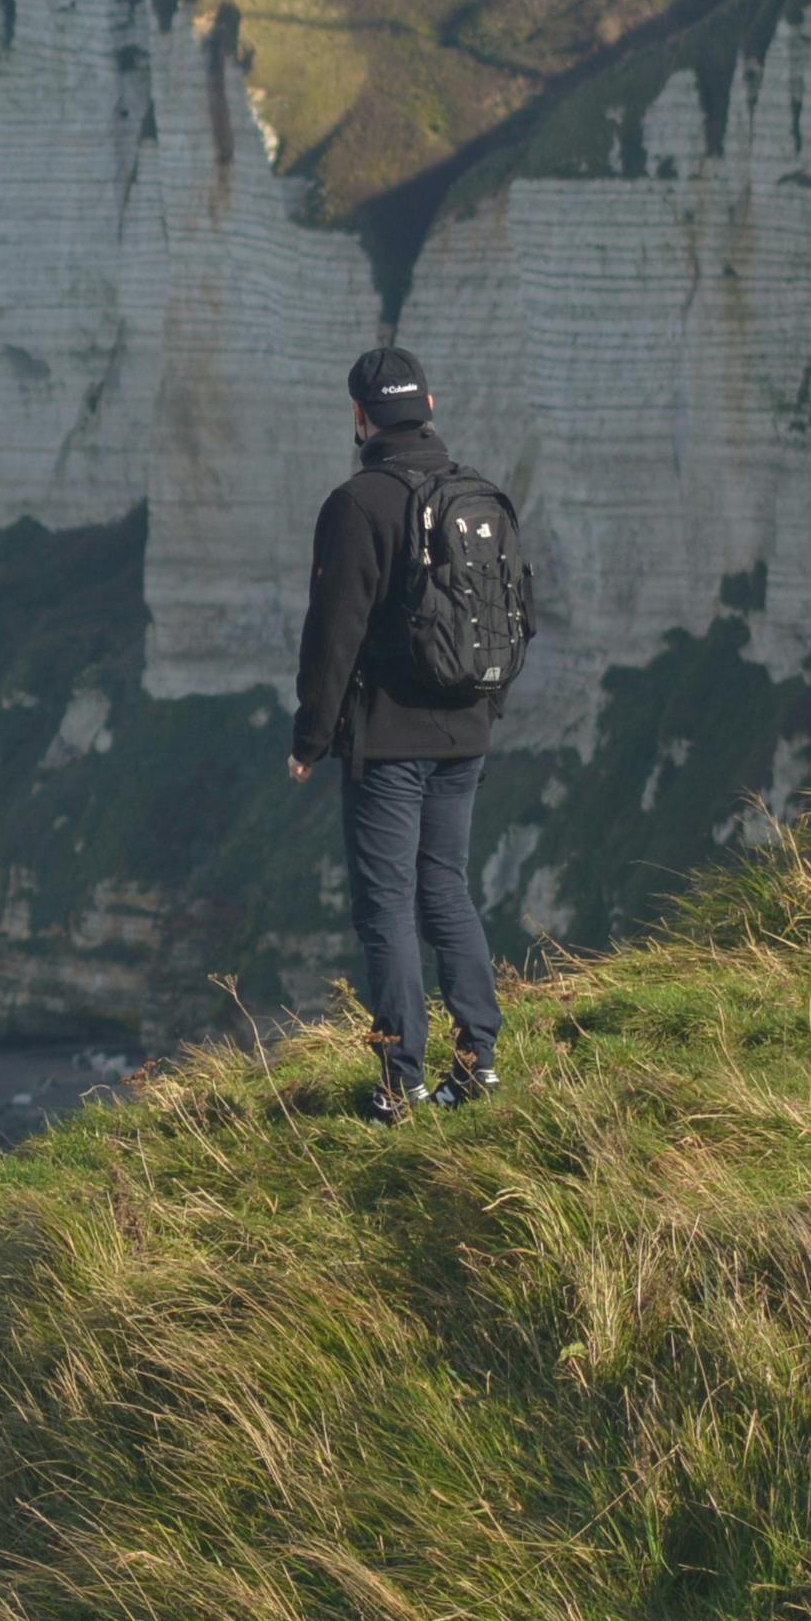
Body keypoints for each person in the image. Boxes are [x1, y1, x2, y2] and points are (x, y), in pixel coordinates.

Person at [288, 343, 507, 1122]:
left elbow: (333, 634)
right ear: (432, 406)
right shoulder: (478, 494)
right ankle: (477, 1061)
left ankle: (398, 1085)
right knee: (446, 890)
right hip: (468, 731)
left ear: (359, 416)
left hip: (389, 741)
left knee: (385, 908)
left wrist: (311, 739)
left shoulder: (359, 504)